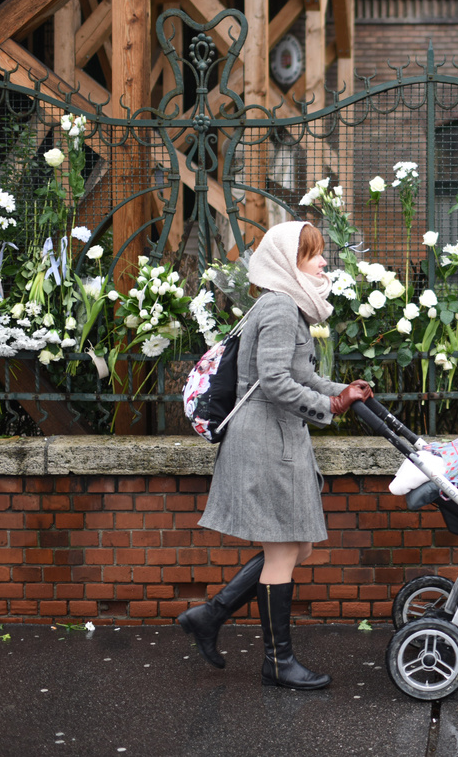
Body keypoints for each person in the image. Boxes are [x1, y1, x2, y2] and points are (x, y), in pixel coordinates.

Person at [179, 220, 371, 690]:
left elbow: (298, 376)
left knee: (295, 546)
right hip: (267, 440)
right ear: (289, 262)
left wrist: (341, 391)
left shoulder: (279, 306)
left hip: (271, 436)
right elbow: (275, 382)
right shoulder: (282, 308)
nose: (323, 262)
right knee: (285, 550)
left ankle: (212, 613)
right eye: (312, 255)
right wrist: (329, 404)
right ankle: (278, 662)